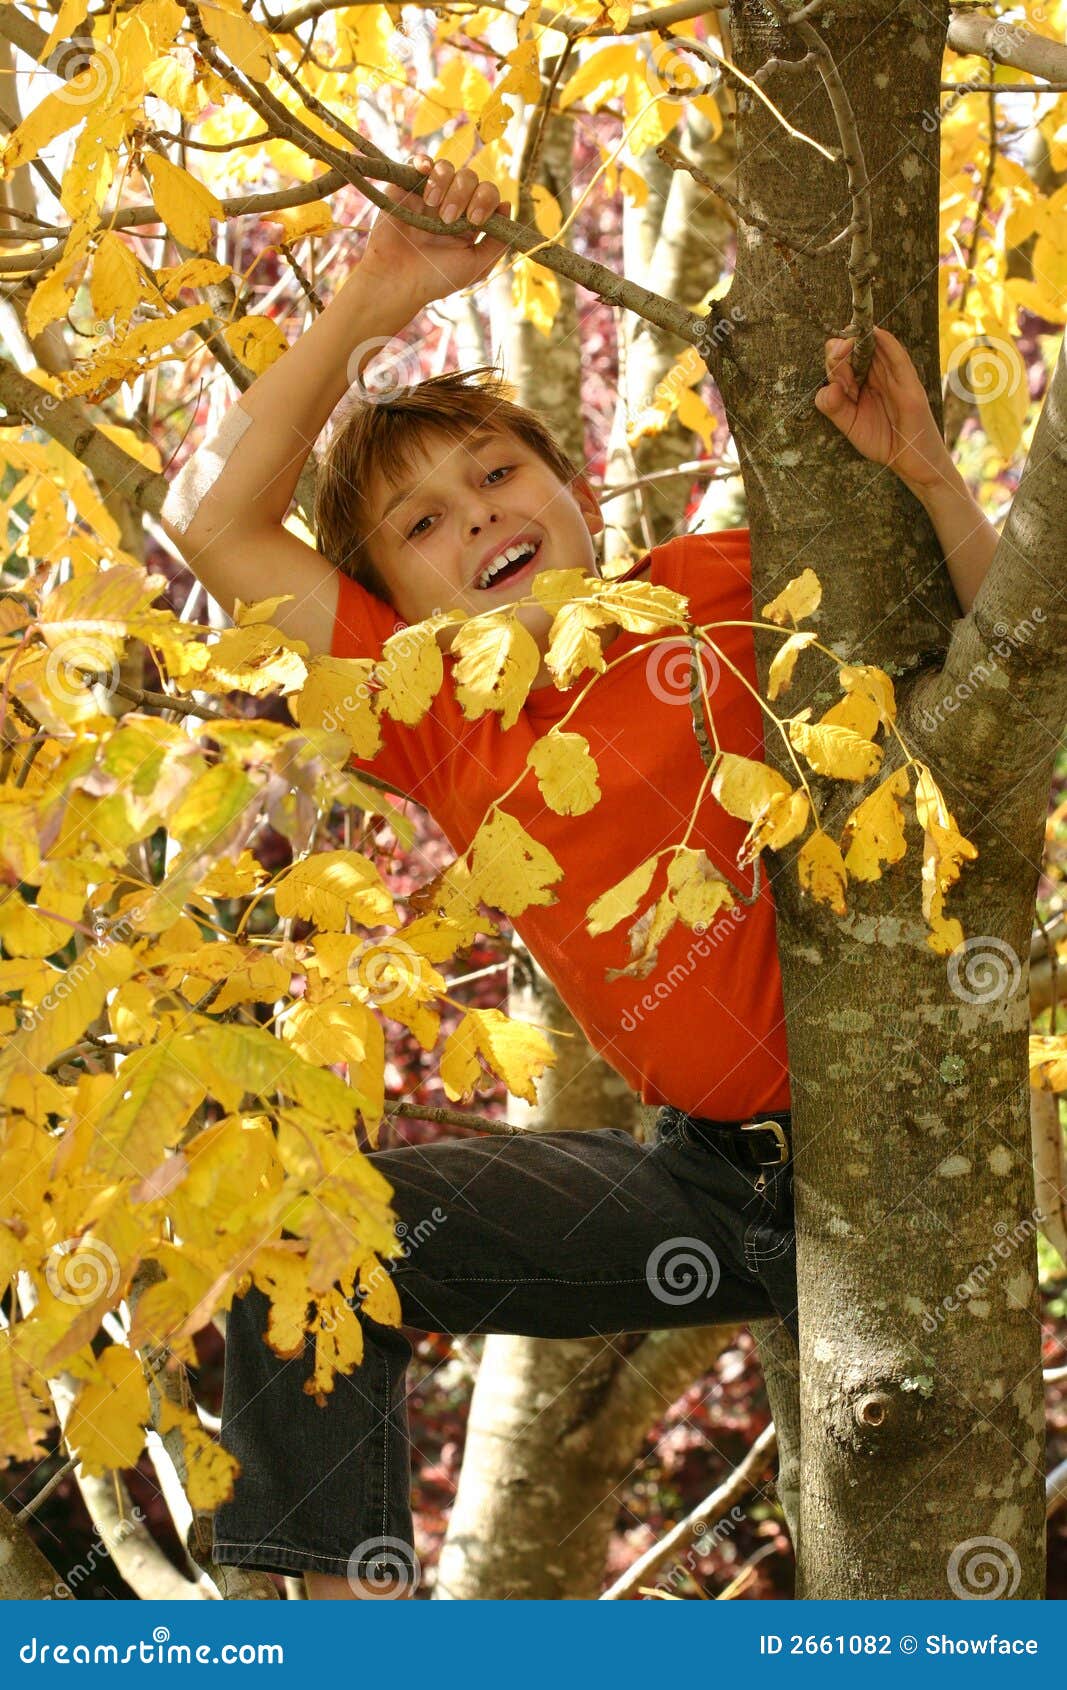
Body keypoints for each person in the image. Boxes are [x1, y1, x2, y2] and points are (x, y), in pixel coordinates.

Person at [160, 151, 1001, 1599]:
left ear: (573, 483)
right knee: (320, 1228)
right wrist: (382, 287)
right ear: (393, 604)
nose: (477, 515)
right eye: (420, 524)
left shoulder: (720, 581)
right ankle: (333, 1626)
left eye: (497, 473)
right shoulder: (431, 713)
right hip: (721, 1191)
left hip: (912, 1135)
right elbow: (214, 524)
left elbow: (1016, 665)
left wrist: (927, 474)